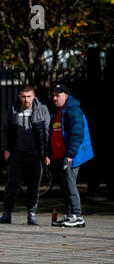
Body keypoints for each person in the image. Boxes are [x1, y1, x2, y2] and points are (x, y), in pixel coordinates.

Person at [0, 85, 50, 225]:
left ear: (34, 96)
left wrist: (46, 154)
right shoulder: (12, 110)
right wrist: (6, 149)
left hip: (35, 154)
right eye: (23, 96)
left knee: (34, 185)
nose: (26, 100)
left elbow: (46, 133)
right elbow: (5, 131)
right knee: (11, 184)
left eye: (29, 96)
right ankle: (7, 213)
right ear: (19, 96)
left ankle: (31, 213)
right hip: (16, 153)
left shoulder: (42, 110)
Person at [45, 84, 94, 228]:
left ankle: (77, 216)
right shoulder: (59, 111)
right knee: (66, 186)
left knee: (70, 186)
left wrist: (70, 155)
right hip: (60, 156)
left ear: (66, 96)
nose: (54, 98)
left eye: (57, 95)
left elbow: (77, 134)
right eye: (53, 95)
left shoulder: (73, 110)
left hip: (70, 157)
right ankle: (69, 215)